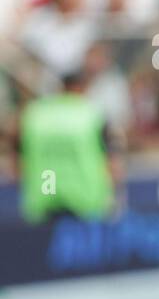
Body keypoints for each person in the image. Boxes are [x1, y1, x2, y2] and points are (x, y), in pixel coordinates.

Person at [17, 68, 122, 223]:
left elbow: (19, 159)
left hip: (45, 197)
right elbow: (112, 159)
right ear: (82, 87)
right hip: (85, 200)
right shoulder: (91, 113)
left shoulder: (35, 114)